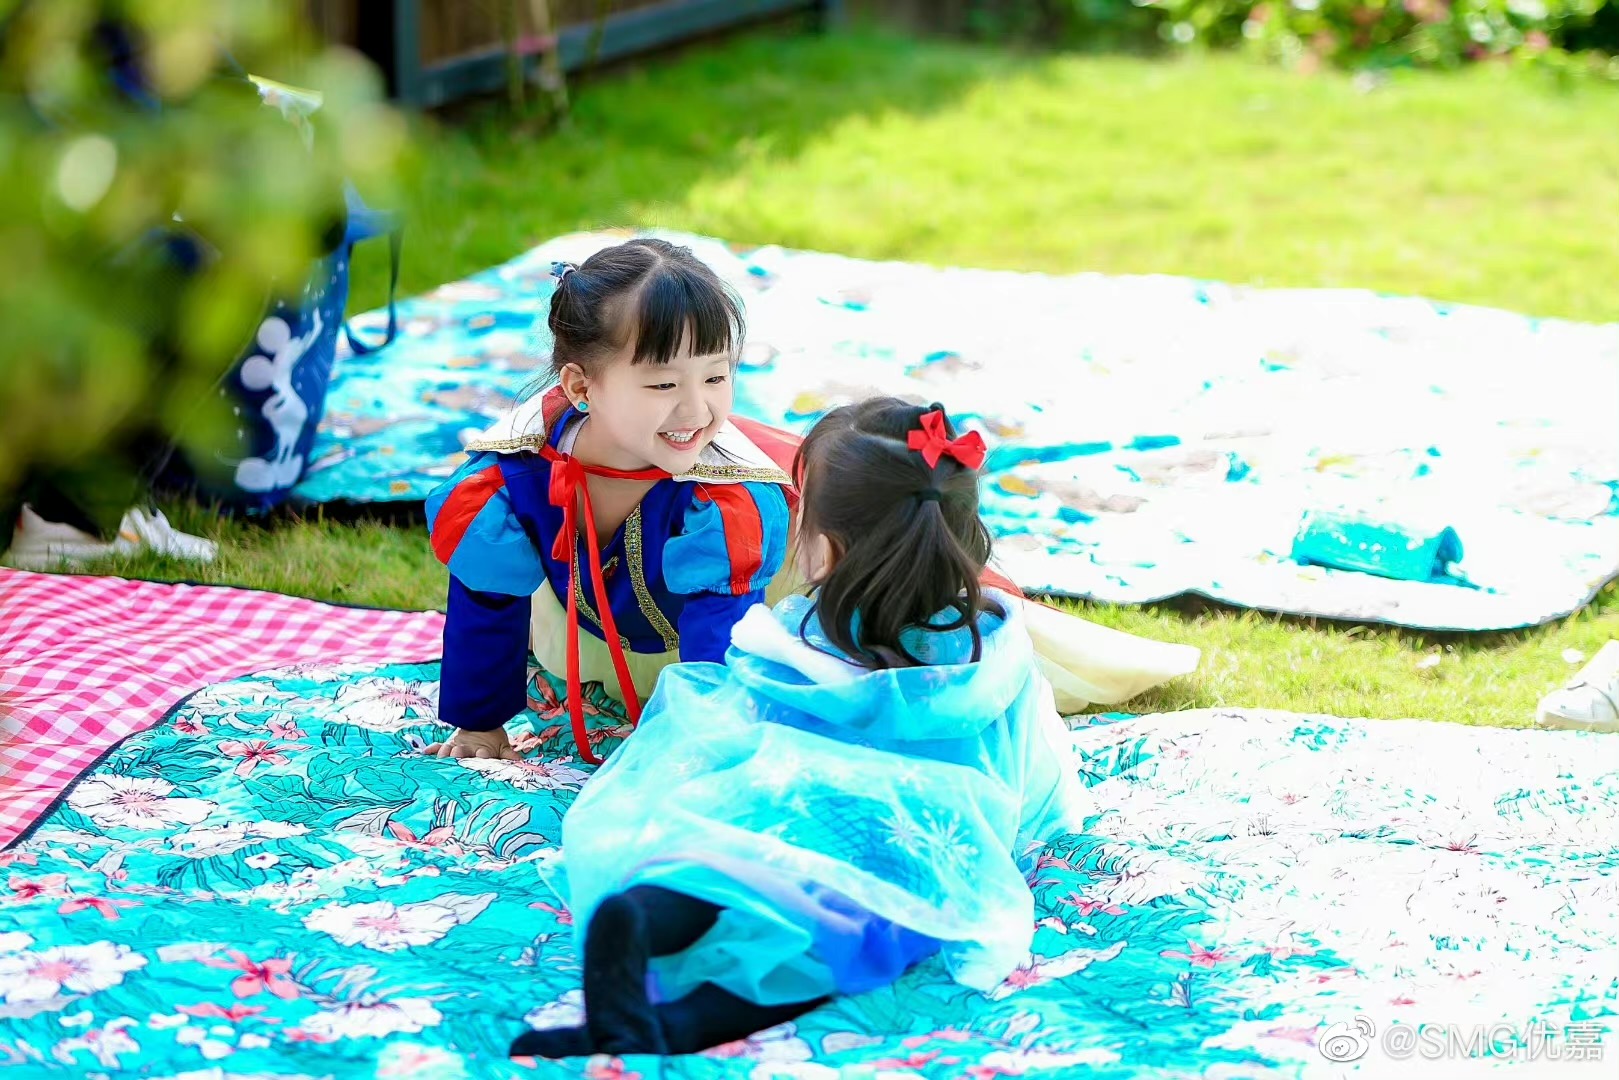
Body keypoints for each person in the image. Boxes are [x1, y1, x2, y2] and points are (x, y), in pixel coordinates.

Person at [510, 398, 1093, 1059]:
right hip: (911, 841)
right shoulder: (989, 650)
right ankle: (694, 1020)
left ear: (828, 543)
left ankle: (646, 911)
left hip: (781, 811)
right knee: (845, 941)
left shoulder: (796, 639)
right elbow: (1031, 773)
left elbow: (744, 730)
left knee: (719, 863)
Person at [422, 238, 798, 765]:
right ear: (580, 387)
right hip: (588, 634)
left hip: (741, 626)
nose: (696, 408)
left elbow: (724, 629)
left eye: (716, 376)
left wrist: (710, 739)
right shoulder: (510, 474)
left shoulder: (732, 497)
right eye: (664, 383)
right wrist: (480, 723)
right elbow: (487, 593)